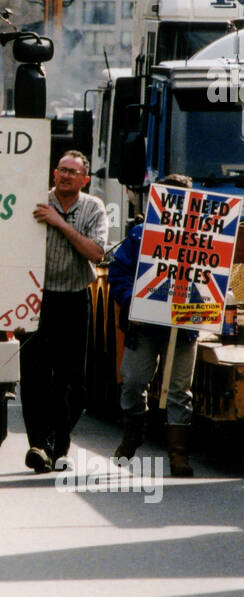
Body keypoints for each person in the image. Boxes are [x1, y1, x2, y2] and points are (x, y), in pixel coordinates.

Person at [20, 150, 109, 473]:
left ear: (84, 179)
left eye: (73, 171)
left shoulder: (93, 207)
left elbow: (96, 253)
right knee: (35, 377)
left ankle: (60, 444)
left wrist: (59, 223)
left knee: (72, 382)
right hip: (37, 301)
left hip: (73, 299)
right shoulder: (35, 202)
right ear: (53, 173)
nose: (66, 175)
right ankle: (38, 446)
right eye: (61, 169)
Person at [108, 174, 197, 478]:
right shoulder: (139, 236)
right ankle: (133, 433)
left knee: (179, 390)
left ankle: (178, 456)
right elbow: (118, 274)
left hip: (183, 327)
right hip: (143, 326)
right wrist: (134, 301)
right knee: (132, 380)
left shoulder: (201, 238)